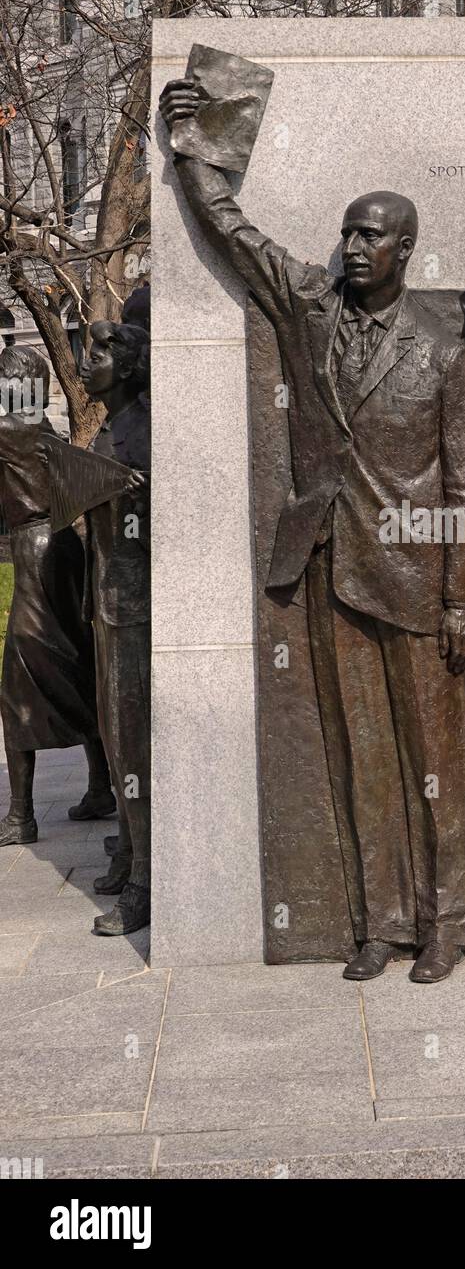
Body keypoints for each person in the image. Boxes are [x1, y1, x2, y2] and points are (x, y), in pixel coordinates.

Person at [159, 74, 465, 983]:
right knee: (364, 760)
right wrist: (191, 145)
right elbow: (238, 237)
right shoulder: (308, 308)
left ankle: (447, 922)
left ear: (406, 250)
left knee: (435, 764)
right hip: (333, 568)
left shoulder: (445, 352)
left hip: (419, 583)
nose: (349, 246)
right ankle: (378, 923)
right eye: (346, 231)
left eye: (369, 235)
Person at [0, 346, 115, 848]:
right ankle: (100, 787)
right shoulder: (46, 429)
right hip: (65, 546)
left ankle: (22, 814)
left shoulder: (7, 431)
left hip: (35, 550)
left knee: (17, 679)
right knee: (74, 661)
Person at [79, 322, 151, 935]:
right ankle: (128, 847)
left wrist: (136, 498)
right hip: (106, 600)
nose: (86, 361)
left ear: (129, 366)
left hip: (135, 605)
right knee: (114, 730)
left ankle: (146, 884)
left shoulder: (145, 432)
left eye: (99, 353)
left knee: (134, 742)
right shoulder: (108, 428)